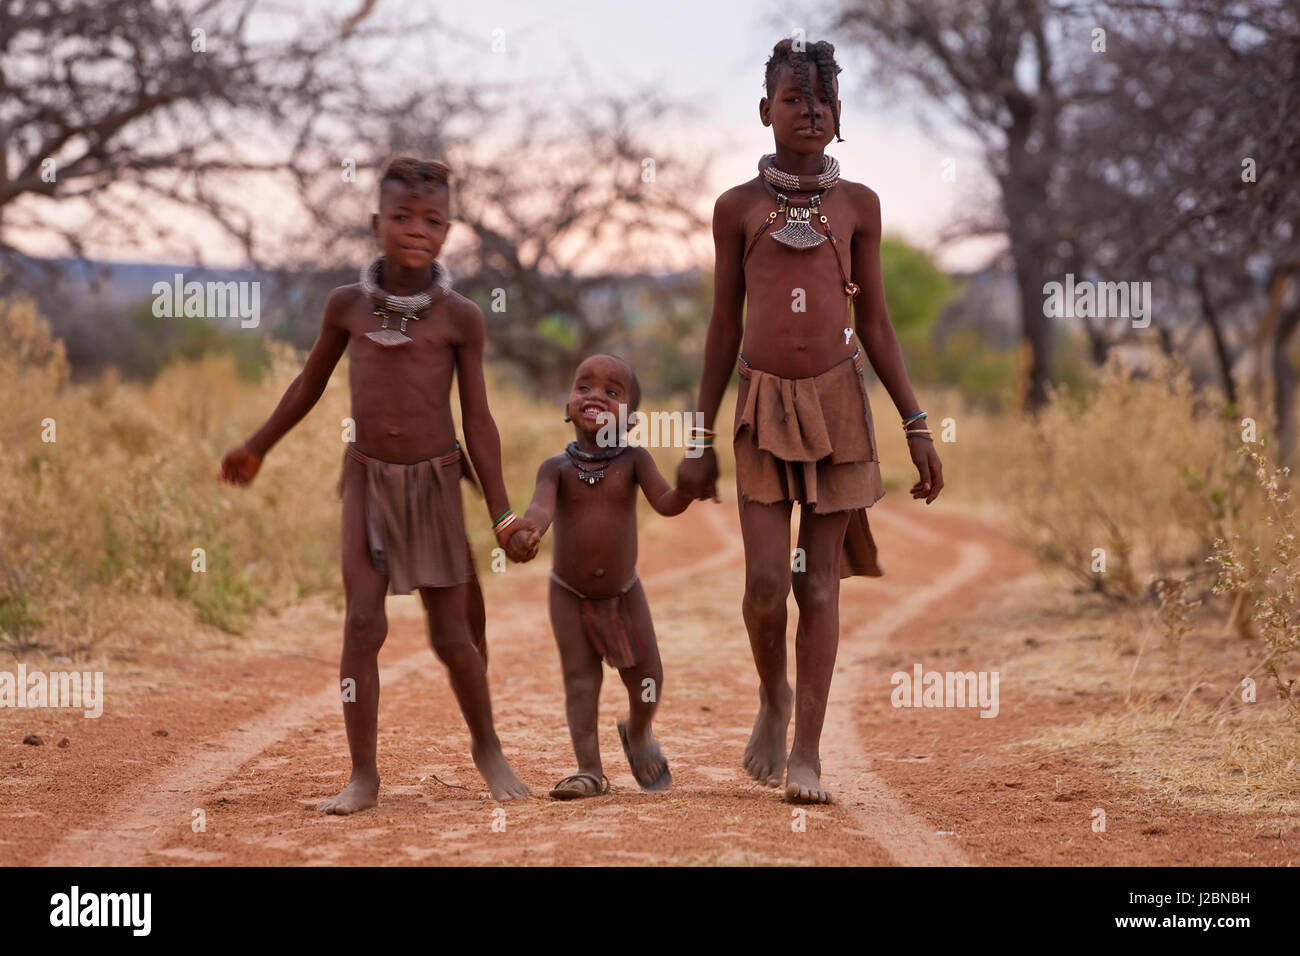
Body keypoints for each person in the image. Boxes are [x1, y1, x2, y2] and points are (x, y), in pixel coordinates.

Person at [219, 157, 535, 812]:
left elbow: (477, 420)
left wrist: (502, 515)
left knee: (452, 636)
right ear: (375, 223)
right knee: (363, 622)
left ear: (449, 230)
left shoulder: (460, 318)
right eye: (401, 217)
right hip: (366, 480)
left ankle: (488, 748)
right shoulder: (348, 306)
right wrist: (257, 447)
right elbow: (307, 386)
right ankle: (363, 774)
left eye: (433, 220)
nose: (417, 230)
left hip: (438, 484)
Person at [675, 39, 945, 804]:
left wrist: (917, 423)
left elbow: (881, 326)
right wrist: (699, 440)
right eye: (794, 98)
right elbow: (723, 328)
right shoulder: (737, 208)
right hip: (762, 406)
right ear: (766, 111)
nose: (810, 110)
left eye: (823, 100)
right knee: (767, 582)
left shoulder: (859, 206)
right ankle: (772, 695)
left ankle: (807, 755)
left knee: (818, 588)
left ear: (840, 115)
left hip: (838, 407)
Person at [508, 354, 691, 798]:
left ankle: (641, 731)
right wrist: (527, 533)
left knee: (648, 675)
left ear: (630, 418)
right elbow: (539, 509)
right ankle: (589, 771)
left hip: (623, 592)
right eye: (584, 387)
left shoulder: (635, 460)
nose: (595, 396)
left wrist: (690, 484)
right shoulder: (555, 469)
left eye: (613, 392)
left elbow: (665, 502)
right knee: (580, 680)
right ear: (567, 404)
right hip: (567, 593)